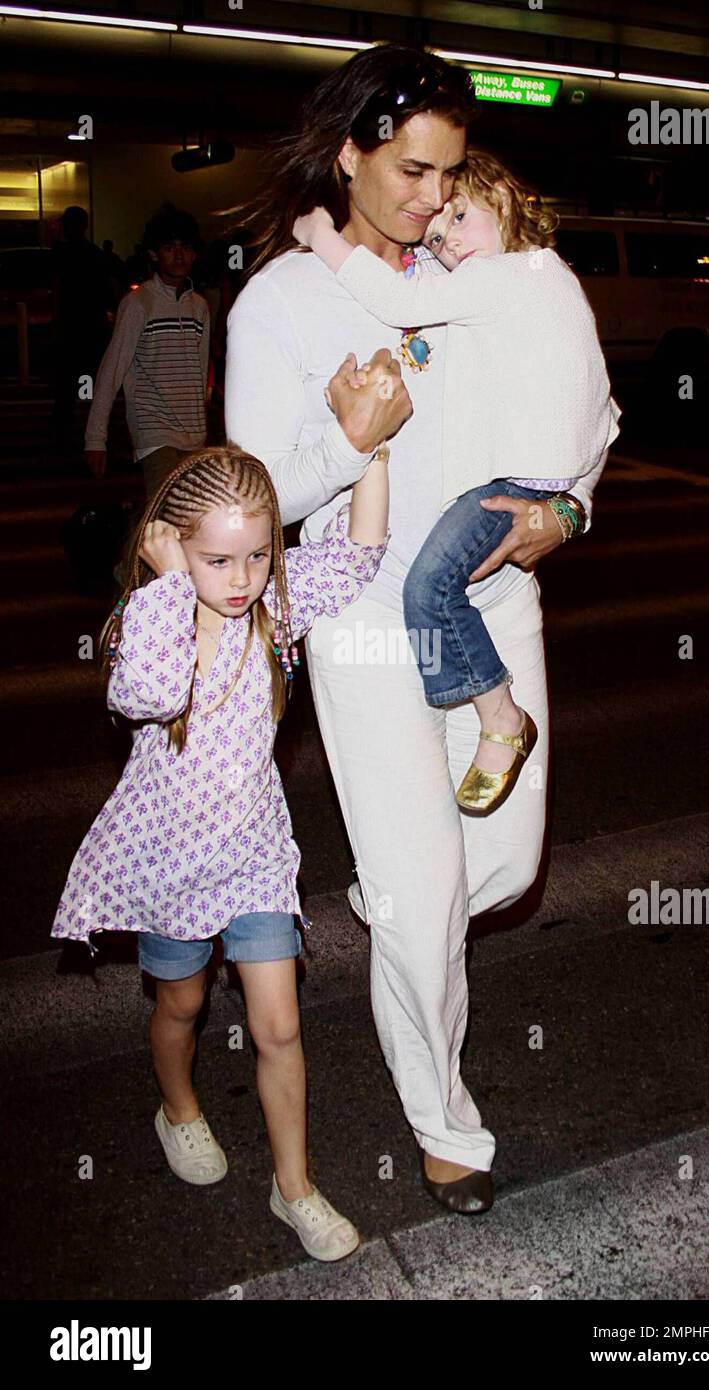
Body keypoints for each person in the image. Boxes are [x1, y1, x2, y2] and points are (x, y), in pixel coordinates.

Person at [225, 43, 612, 1214]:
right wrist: (344, 444)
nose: (432, 195)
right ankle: (447, 1125)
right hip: (366, 630)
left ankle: (402, 901)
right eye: (408, 168)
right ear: (349, 155)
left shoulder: (474, 265)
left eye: (448, 171)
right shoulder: (282, 301)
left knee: (504, 861)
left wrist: (566, 508)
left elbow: (580, 414)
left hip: (494, 605)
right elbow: (254, 497)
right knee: (426, 892)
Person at [50, 443, 391, 1261]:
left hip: (254, 858)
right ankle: (177, 1109)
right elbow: (150, 694)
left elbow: (359, 553)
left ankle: (294, 1187)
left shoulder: (273, 603)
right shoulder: (151, 621)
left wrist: (372, 447)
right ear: (169, 545)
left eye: (257, 554)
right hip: (170, 866)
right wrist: (169, 585)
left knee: (278, 1025)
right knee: (182, 1007)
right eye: (216, 559)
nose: (241, 578)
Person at [292, 148, 621, 815]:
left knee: (431, 588)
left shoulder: (500, 277)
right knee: (434, 594)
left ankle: (500, 717)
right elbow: (599, 405)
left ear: (501, 195)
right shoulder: (539, 278)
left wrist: (319, 236)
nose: (448, 243)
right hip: (500, 500)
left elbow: (395, 297)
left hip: (512, 490)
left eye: (460, 215)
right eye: (438, 237)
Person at [84, 206, 210, 497]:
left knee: (188, 519)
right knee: (167, 515)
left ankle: (132, 538)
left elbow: (201, 373)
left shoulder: (200, 307)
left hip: (193, 433)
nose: (179, 256)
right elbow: (111, 370)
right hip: (155, 431)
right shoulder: (139, 304)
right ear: (153, 254)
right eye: (169, 248)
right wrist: (95, 439)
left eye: (186, 248)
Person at [50, 205, 113, 452]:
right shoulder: (95, 254)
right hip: (90, 328)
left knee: (66, 384)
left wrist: (56, 324)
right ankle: (87, 428)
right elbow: (106, 291)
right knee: (86, 380)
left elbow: (57, 290)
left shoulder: (61, 254)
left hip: (72, 327)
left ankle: (65, 432)